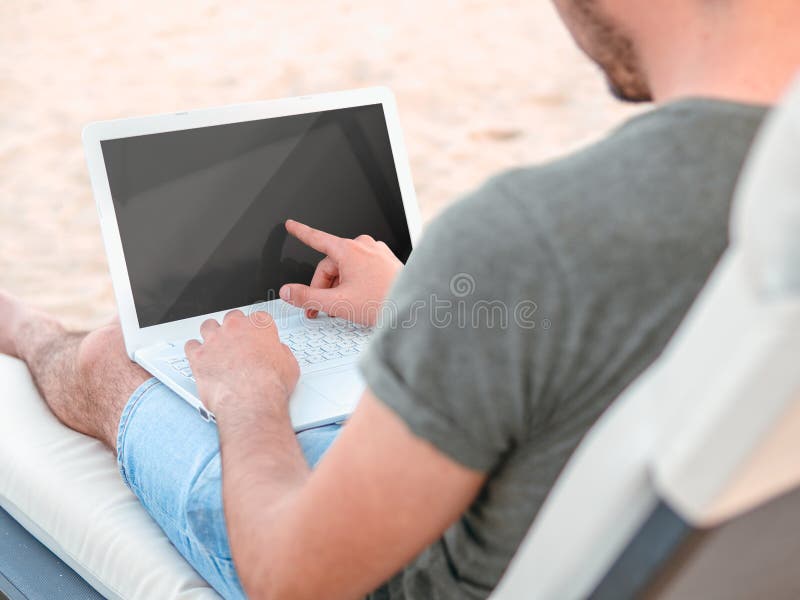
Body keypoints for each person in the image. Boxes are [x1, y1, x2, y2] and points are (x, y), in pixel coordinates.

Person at [1, 1, 798, 598]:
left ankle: (25, 329)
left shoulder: (536, 234)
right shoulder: (764, 210)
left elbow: (291, 576)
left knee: (112, 354)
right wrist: (422, 307)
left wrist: (249, 397)